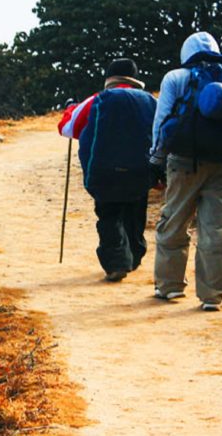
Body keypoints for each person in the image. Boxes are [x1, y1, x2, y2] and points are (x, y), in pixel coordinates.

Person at [148, 31, 222, 311]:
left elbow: (162, 122)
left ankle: (169, 287)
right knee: (217, 227)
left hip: (185, 162)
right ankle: (212, 295)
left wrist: (156, 160)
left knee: (174, 221)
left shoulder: (176, 78)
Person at [58, 58, 157, 282]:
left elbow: (67, 128)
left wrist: (71, 109)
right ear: (135, 79)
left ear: (109, 78)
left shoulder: (97, 100)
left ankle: (116, 264)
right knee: (135, 212)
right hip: (141, 170)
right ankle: (134, 258)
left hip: (105, 170)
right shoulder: (151, 101)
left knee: (109, 214)